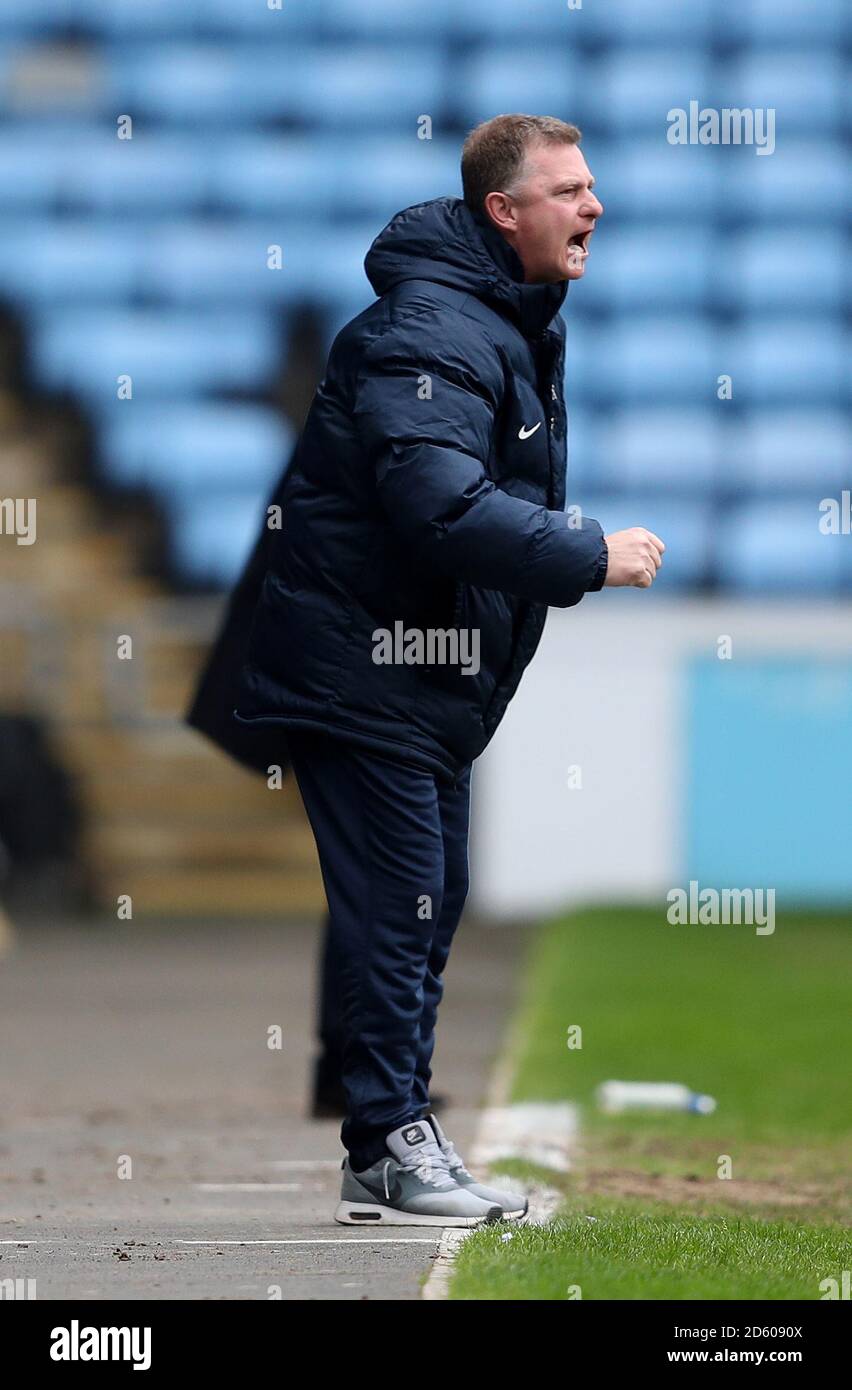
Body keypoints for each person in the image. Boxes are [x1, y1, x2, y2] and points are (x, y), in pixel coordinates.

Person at [233, 114, 665, 1226]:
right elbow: (437, 507)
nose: (594, 206)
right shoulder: (430, 330)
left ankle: (391, 1139)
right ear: (501, 213)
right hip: (363, 665)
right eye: (568, 190)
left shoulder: (488, 318)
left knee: (426, 898)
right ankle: (389, 1138)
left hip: (415, 674)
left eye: (592, 186)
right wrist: (586, 552)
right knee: (400, 902)